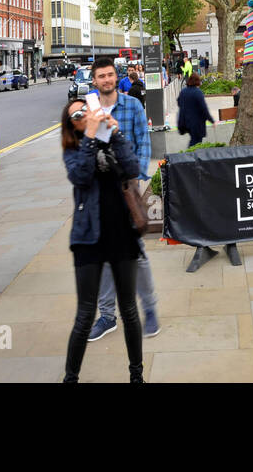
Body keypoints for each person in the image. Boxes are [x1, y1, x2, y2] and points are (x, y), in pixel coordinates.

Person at [61, 99, 144, 382]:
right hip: (88, 237)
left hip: (121, 232)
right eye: (77, 115)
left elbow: (132, 169)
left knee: (129, 309)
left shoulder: (111, 140)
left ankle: (136, 375)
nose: (84, 115)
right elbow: (81, 177)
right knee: (85, 313)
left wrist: (116, 134)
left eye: (86, 109)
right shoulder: (73, 149)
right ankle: (70, 378)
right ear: (72, 124)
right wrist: (90, 137)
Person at [85, 56, 159, 342]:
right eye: (100, 76)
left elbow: (144, 144)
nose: (106, 80)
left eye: (109, 75)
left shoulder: (132, 106)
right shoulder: (87, 108)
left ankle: (150, 309)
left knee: (136, 253)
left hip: (126, 189)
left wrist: (134, 179)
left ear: (116, 78)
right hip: (97, 192)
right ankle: (106, 315)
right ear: (94, 80)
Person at [177, 72, 214, 147]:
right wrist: (211, 120)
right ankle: (189, 156)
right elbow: (204, 108)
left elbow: (179, 102)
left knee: (194, 140)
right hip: (197, 123)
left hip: (186, 121)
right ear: (198, 81)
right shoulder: (198, 92)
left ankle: (190, 155)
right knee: (196, 142)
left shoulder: (183, 92)